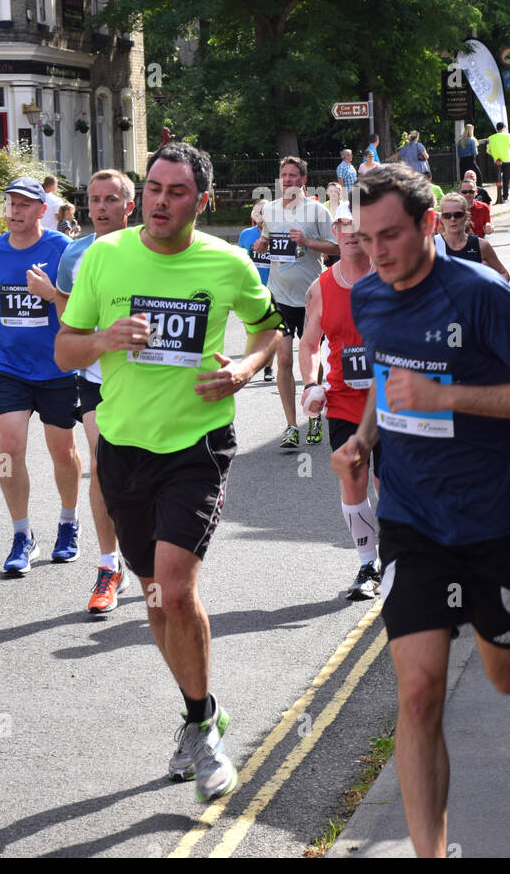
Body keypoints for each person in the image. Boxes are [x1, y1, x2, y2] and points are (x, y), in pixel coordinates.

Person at [330, 164, 510, 859]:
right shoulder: (370, 297)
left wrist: (448, 397)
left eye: (392, 235)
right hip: (410, 516)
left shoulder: (481, 295)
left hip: (494, 514)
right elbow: (387, 377)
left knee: (501, 673)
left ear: (431, 225)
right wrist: (364, 438)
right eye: (367, 238)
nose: (376, 252)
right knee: (417, 695)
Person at [55, 141, 282, 802]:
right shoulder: (104, 256)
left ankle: (204, 734)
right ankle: (199, 713)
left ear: (201, 201)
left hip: (197, 448)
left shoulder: (228, 263)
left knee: (177, 588)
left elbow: (270, 330)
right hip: (123, 451)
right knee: (154, 594)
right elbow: (65, 348)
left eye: (176, 191)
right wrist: (101, 340)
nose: (159, 201)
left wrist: (241, 370)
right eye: (152, 187)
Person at [0, 177, 82, 573]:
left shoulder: (61, 249)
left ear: (41, 210)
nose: (15, 210)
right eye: (11, 203)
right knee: (7, 452)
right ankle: (22, 534)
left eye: (25, 204)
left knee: (62, 452)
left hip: (56, 367)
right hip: (7, 366)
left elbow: (79, 302)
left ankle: (68, 522)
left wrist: (51, 292)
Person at [49, 170, 137, 614]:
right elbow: (69, 321)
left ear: (129, 207)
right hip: (97, 381)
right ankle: (108, 567)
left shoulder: (148, 250)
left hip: (147, 383)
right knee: (104, 468)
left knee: (148, 476)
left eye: (109, 200)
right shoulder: (74, 255)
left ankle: (150, 555)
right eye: (93, 200)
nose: (99, 207)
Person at [298, 206, 382, 600]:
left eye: (358, 225)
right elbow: (310, 343)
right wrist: (309, 384)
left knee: (391, 485)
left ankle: (403, 556)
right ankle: (368, 563)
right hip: (345, 400)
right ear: (334, 231)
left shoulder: (391, 276)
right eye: (344, 225)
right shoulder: (321, 287)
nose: (351, 232)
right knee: (353, 476)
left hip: (392, 400)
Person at [253, 156, 337, 449]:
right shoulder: (272, 210)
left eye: (292, 176)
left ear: (303, 179)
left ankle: (314, 410)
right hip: (280, 296)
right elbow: (264, 240)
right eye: (283, 175)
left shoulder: (316, 210)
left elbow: (336, 247)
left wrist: (307, 242)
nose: (287, 180)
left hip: (312, 297)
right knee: (286, 359)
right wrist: (261, 244)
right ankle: (290, 425)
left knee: (313, 361)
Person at [238, 200, 275, 378]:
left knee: (270, 329)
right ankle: (257, 360)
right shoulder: (246, 235)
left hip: (273, 289)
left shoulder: (277, 234)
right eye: (258, 212)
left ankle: (268, 367)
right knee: (252, 331)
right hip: (251, 289)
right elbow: (241, 262)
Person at [435, 193, 509, 278]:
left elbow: (504, 274)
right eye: (447, 215)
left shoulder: (481, 245)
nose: (453, 219)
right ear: (442, 219)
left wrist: (489, 290)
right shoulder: (431, 246)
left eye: (458, 215)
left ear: (466, 216)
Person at [486, 122, 510, 203]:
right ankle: (505, 197)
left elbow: (488, 151)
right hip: (507, 160)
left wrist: (495, 156)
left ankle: (498, 196)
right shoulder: (508, 136)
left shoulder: (491, 138)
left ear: (497, 128)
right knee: (506, 179)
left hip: (497, 161)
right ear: (504, 128)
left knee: (498, 179)